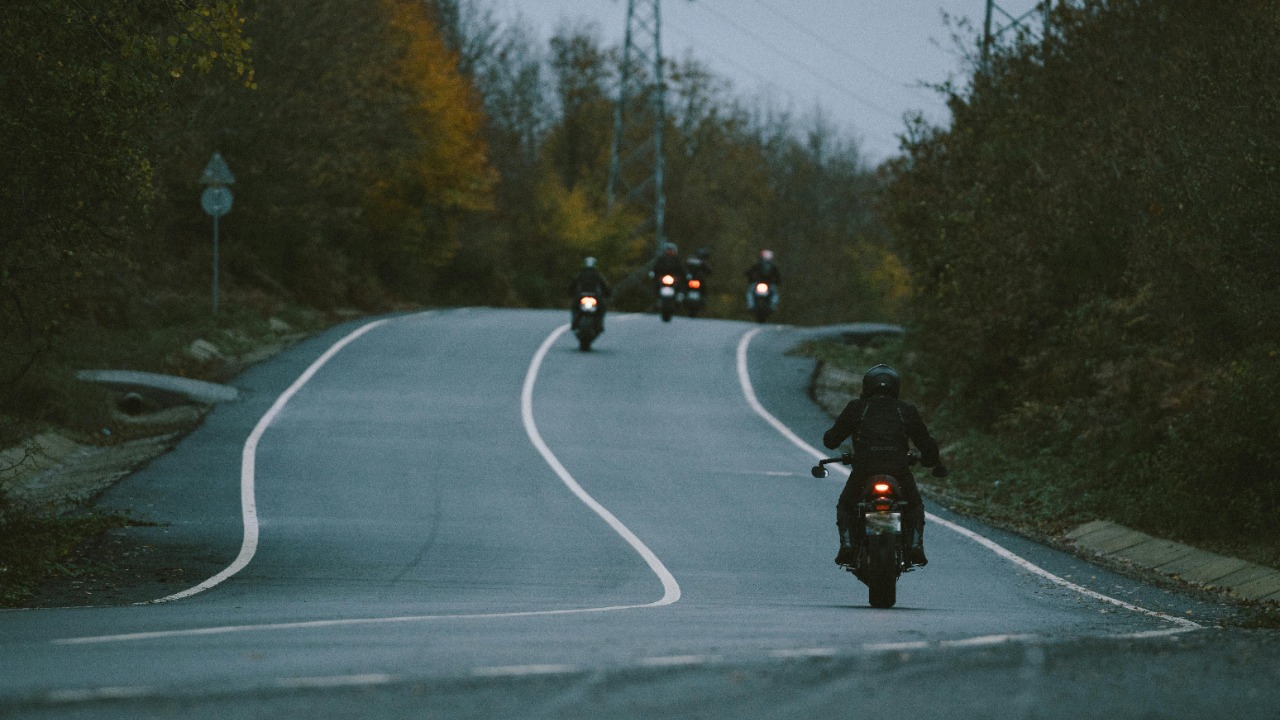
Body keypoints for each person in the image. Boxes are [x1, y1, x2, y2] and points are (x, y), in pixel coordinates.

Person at [822, 364, 948, 568]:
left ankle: (847, 544)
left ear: (867, 386)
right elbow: (926, 443)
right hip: (897, 470)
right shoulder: (905, 410)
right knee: (914, 505)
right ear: (895, 387)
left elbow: (831, 440)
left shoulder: (857, 407)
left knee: (846, 505)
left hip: (865, 470)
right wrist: (930, 460)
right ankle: (916, 545)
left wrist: (835, 438)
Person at [568, 257, 611, 332]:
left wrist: (570, 294)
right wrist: (607, 295)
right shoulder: (599, 275)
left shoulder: (579, 275)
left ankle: (574, 323)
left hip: (581, 296)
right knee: (602, 308)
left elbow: (571, 285)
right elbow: (606, 287)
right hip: (595, 297)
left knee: (574, 307)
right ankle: (599, 324)